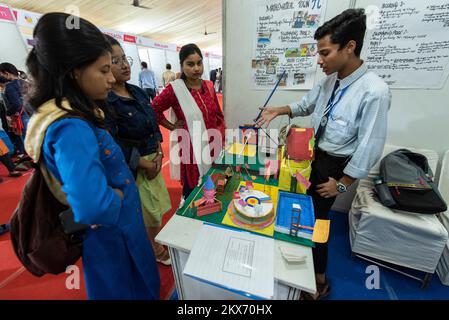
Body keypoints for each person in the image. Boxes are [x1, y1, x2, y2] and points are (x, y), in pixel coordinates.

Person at [256, 9, 390, 300]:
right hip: (313, 156)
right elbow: (306, 105)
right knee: (301, 210)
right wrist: (277, 110)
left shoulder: (374, 91)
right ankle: (299, 264)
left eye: (325, 53)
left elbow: (368, 148)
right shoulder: (330, 81)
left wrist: (341, 184)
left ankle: (318, 280)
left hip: (334, 168)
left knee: (319, 222)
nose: (319, 60)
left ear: (350, 46)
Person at [24, 12, 160, 299]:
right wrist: (120, 197)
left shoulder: (74, 115)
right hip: (114, 238)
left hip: (117, 232)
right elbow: (94, 207)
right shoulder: (72, 127)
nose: (111, 78)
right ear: (73, 71)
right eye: (102, 71)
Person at [105, 35, 172, 266]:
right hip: (134, 168)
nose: (124, 64)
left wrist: (160, 155)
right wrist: (144, 164)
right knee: (147, 212)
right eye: (116, 61)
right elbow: (112, 142)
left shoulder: (138, 92)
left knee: (157, 208)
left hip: (153, 159)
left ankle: (153, 242)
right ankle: (154, 248)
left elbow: (154, 125)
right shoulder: (106, 102)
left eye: (125, 58)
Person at [152, 44, 226, 201]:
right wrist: (171, 126)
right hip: (191, 148)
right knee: (194, 189)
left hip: (213, 144)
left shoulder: (209, 86)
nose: (196, 68)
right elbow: (152, 110)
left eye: (199, 63)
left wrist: (221, 138)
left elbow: (218, 115)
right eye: (190, 64)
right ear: (182, 65)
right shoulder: (175, 89)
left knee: (213, 185)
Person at [0, 63, 30, 156]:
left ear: (6, 74)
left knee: (28, 143)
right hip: (32, 114)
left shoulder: (10, 86)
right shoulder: (25, 82)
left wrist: (8, 113)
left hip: (22, 117)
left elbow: (16, 104)